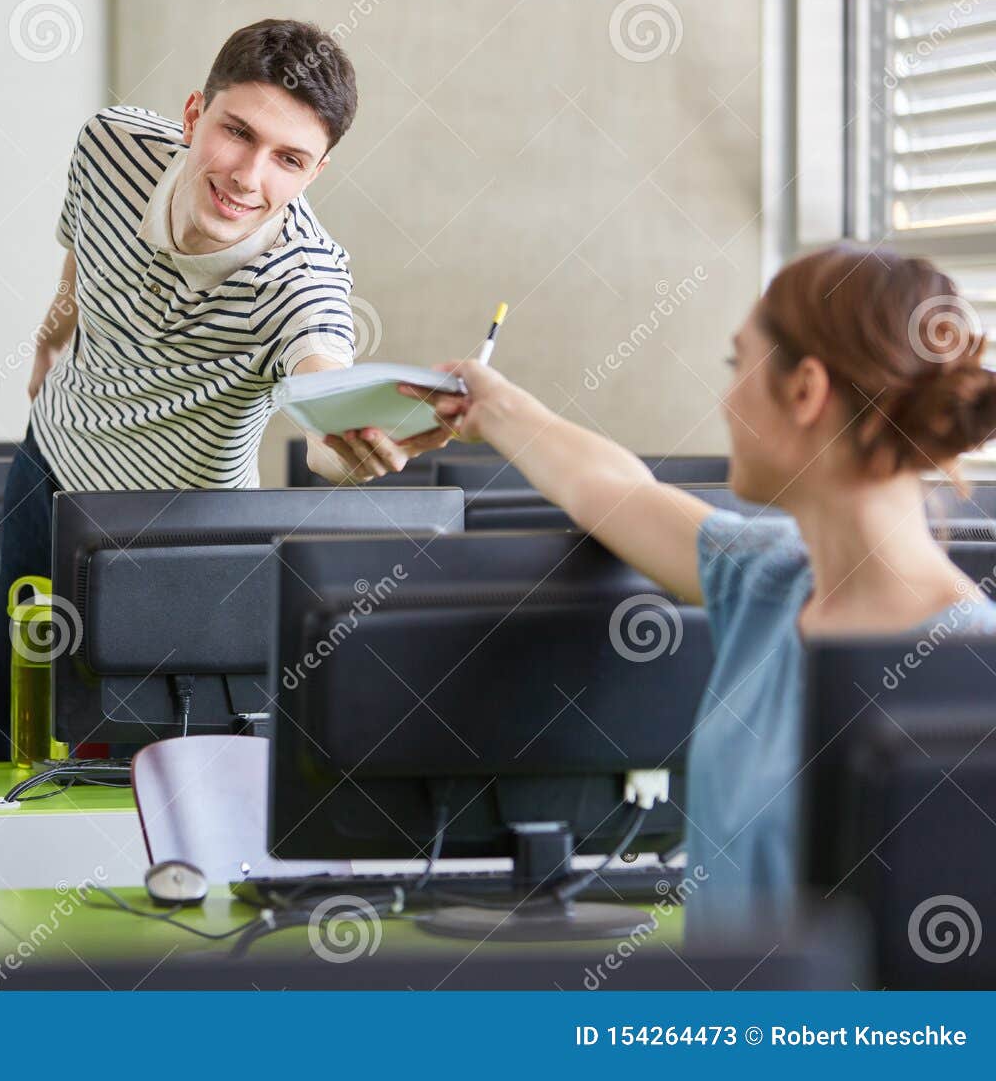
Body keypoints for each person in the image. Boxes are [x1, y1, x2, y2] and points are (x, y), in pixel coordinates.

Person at [404, 244, 996, 941]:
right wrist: (490, 404)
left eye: (737, 364)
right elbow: (613, 490)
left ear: (804, 391)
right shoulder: (767, 580)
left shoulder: (971, 671)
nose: (725, 399)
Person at [0, 18, 450, 760]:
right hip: (52, 469)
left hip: (180, 540)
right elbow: (83, 249)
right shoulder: (109, 146)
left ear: (315, 172)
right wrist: (50, 336)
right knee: (11, 737)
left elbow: (321, 385)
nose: (248, 177)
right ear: (194, 114)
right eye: (238, 133)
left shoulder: (304, 279)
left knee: (150, 777)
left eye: (288, 159)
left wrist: (349, 444)